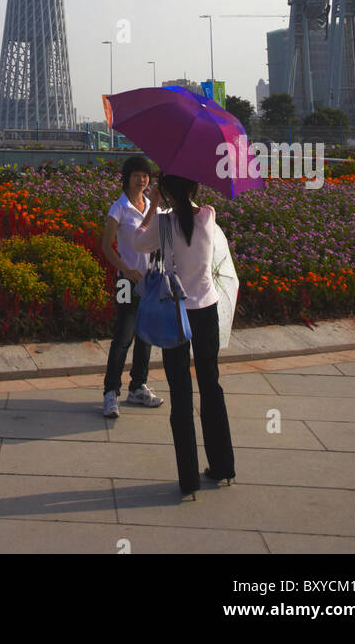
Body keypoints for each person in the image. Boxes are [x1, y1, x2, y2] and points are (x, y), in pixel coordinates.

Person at [131, 173, 235, 502]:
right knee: (211, 385)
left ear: (164, 192)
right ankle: (223, 467)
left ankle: (188, 478)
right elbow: (192, 213)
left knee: (180, 393)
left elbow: (135, 242)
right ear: (194, 188)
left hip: (176, 314)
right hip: (206, 311)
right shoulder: (207, 216)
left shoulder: (163, 225)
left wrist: (154, 206)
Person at [100, 154, 165, 416]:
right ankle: (110, 392)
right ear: (126, 178)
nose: (142, 179)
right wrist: (126, 270)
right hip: (127, 282)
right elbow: (106, 246)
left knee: (146, 336)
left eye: (145, 175)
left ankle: (138, 386)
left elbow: (158, 236)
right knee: (123, 336)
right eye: (137, 175)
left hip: (149, 281)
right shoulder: (119, 208)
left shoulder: (152, 204)